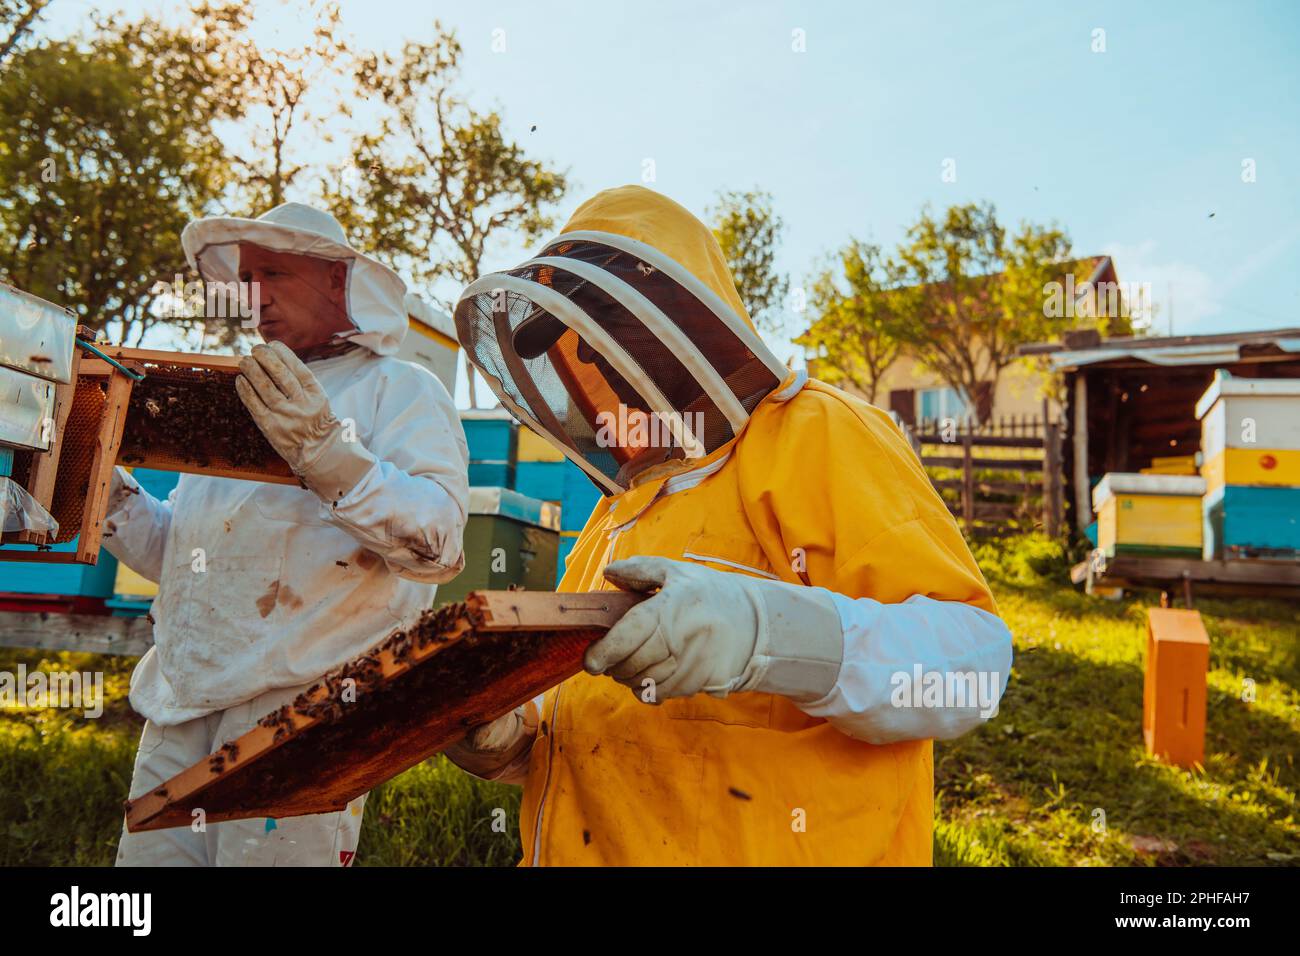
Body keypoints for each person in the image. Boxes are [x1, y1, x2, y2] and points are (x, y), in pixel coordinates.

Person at [444, 184, 1012, 866]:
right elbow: (593, 723)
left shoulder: (819, 432)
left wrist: (763, 633)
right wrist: (515, 734)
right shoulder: (616, 512)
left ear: (682, 310)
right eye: (574, 343)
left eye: (608, 321)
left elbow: (973, 664)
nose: (590, 357)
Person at [110, 202, 469, 866]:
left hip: (305, 712)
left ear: (338, 281)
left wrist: (326, 453)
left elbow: (439, 544)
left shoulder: (400, 389)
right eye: (247, 279)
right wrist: (106, 491)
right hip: (180, 705)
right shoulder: (240, 398)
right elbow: (182, 561)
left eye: (273, 273)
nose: (255, 296)